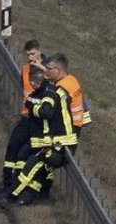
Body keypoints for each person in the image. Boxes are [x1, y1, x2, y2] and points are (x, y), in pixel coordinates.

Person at [8, 66, 77, 205]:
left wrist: (32, 108)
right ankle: (28, 198)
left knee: (32, 166)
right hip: (58, 141)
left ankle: (12, 196)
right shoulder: (56, 90)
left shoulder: (50, 92)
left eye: (49, 69)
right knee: (39, 168)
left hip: (57, 143)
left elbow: (46, 113)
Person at [17, 39, 44, 118]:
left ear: (39, 51)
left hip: (42, 113)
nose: (30, 58)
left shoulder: (48, 67)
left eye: (33, 54)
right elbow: (23, 87)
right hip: (27, 113)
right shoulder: (25, 68)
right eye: (28, 55)